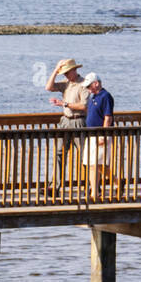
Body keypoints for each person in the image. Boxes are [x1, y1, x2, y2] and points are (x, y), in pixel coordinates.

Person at [46, 58, 87, 191]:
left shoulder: (84, 84)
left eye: (67, 72)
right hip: (65, 121)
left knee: (84, 155)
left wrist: (64, 104)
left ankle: (91, 186)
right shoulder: (66, 83)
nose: (65, 75)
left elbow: (84, 106)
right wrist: (55, 70)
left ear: (74, 70)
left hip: (78, 121)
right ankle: (54, 187)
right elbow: (49, 87)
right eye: (64, 73)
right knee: (60, 153)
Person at [81, 72, 115, 199]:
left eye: (89, 86)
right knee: (91, 165)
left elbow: (108, 118)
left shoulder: (105, 96)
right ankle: (113, 185)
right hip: (91, 134)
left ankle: (95, 193)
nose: (88, 89)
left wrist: (104, 135)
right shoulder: (93, 97)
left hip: (100, 135)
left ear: (96, 83)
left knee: (97, 164)